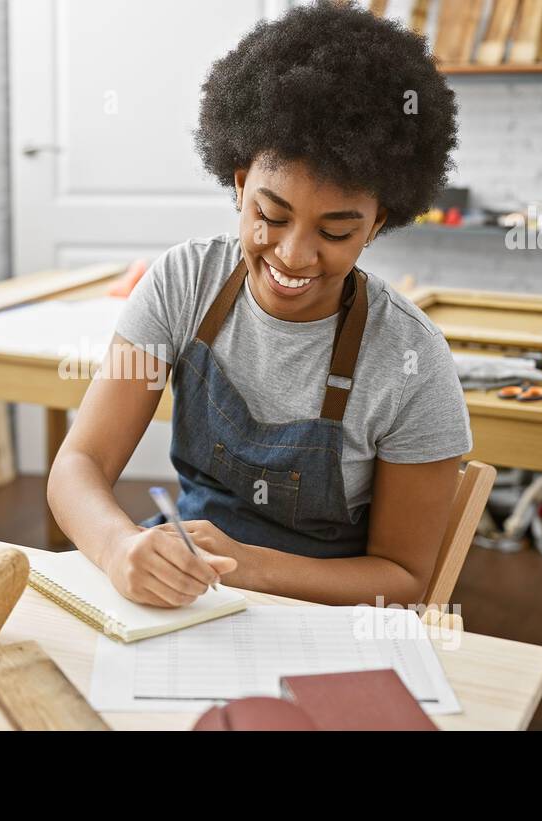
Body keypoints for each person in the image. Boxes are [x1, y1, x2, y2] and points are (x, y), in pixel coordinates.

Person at [47, 2, 470, 608]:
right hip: (187, 600)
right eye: (271, 216)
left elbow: (405, 579)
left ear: (378, 222)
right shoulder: (185, 284)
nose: (294, 255)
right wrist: (118, 548)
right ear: (240, 183)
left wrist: (252, 568)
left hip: (325, 618)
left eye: (335, 232)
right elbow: (78, 465)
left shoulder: (410, 359)